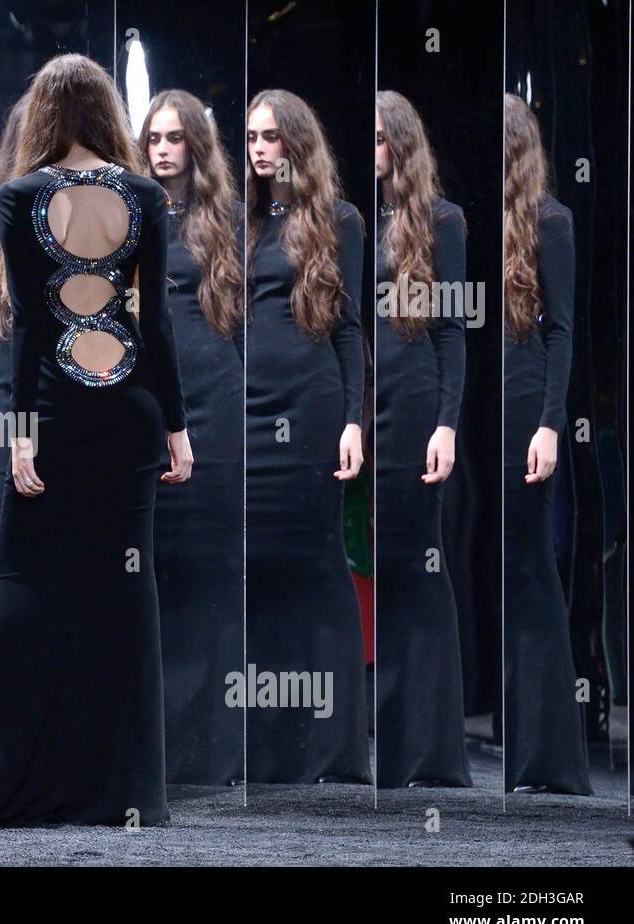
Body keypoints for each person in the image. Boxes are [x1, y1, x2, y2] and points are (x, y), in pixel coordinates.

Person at [0, 54, 193, 827]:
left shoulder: (19, 197)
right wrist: (178, 426)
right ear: (108, 111)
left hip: (55, 415)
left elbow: (28, 326)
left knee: (23, 586)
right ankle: (123, 793)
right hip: (130, 414)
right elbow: (155, 325)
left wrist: (21, 433)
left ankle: (5, 784)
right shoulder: (144, 196)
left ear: (43, 115)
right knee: (122, 597)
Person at [244, 88, 370, 785]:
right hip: (249, 413)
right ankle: (271, 745)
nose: (260, 149)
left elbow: (350, 331)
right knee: (259, 571)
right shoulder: (244, 222)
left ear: (297, 141)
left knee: (318, 569)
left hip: (313, 407)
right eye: (252, 137)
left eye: (271, 136)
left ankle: (335, 747)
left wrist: (354, 420)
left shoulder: (340, 220)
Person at [139, 89, 244, 786]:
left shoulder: (229, 218)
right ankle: (159, 744)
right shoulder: (132, 210)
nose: (162, 149)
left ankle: (217, 748)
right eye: (154, 138)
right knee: (155, 567)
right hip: (152, 398)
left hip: (218, 392)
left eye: (175, 137)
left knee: (213, 571)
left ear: (195, 146)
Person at [373, 90, 472, 789]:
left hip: (414, 405)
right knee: (376, 574)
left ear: (402, 144)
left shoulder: (442, 220)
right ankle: (386, 744)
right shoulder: (353, 219)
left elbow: (453, 331)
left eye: (381, 138)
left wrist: (446, 423)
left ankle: (431, 751)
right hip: (364, 405)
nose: (372, 149)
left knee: (419, 570)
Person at [501, 92, 591, 795]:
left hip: (529, 407)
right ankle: (514, 747)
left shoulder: (550, 221)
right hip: (487, 411)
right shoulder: (481, 223)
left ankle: (552, 757)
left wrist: (549, 426)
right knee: (502, 573)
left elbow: (562, 331)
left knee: (533, 574)